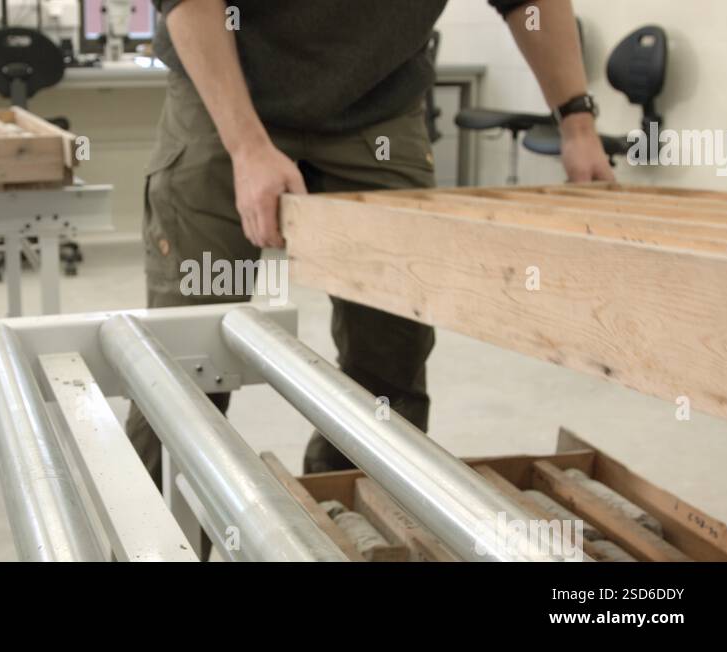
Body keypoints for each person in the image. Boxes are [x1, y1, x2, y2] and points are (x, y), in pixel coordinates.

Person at [127, 0, 614, 487]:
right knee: (185, 357)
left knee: (391, 363)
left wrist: (576, 122)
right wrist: (246, 147)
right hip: (226, 93)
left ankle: (346, 521)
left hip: (377, 108)